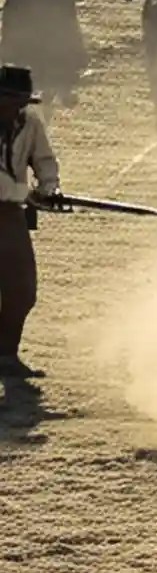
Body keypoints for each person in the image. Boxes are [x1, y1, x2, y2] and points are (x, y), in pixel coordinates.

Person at [0, 65, 60, 379]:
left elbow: (44, 160)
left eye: (21, 101)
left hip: (10, 215)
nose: (16, 107)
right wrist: (27, 194)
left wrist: (50, 189)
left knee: (22, 290)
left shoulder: (30, 123)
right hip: (11, 202)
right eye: (10, 100)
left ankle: (5, 355)